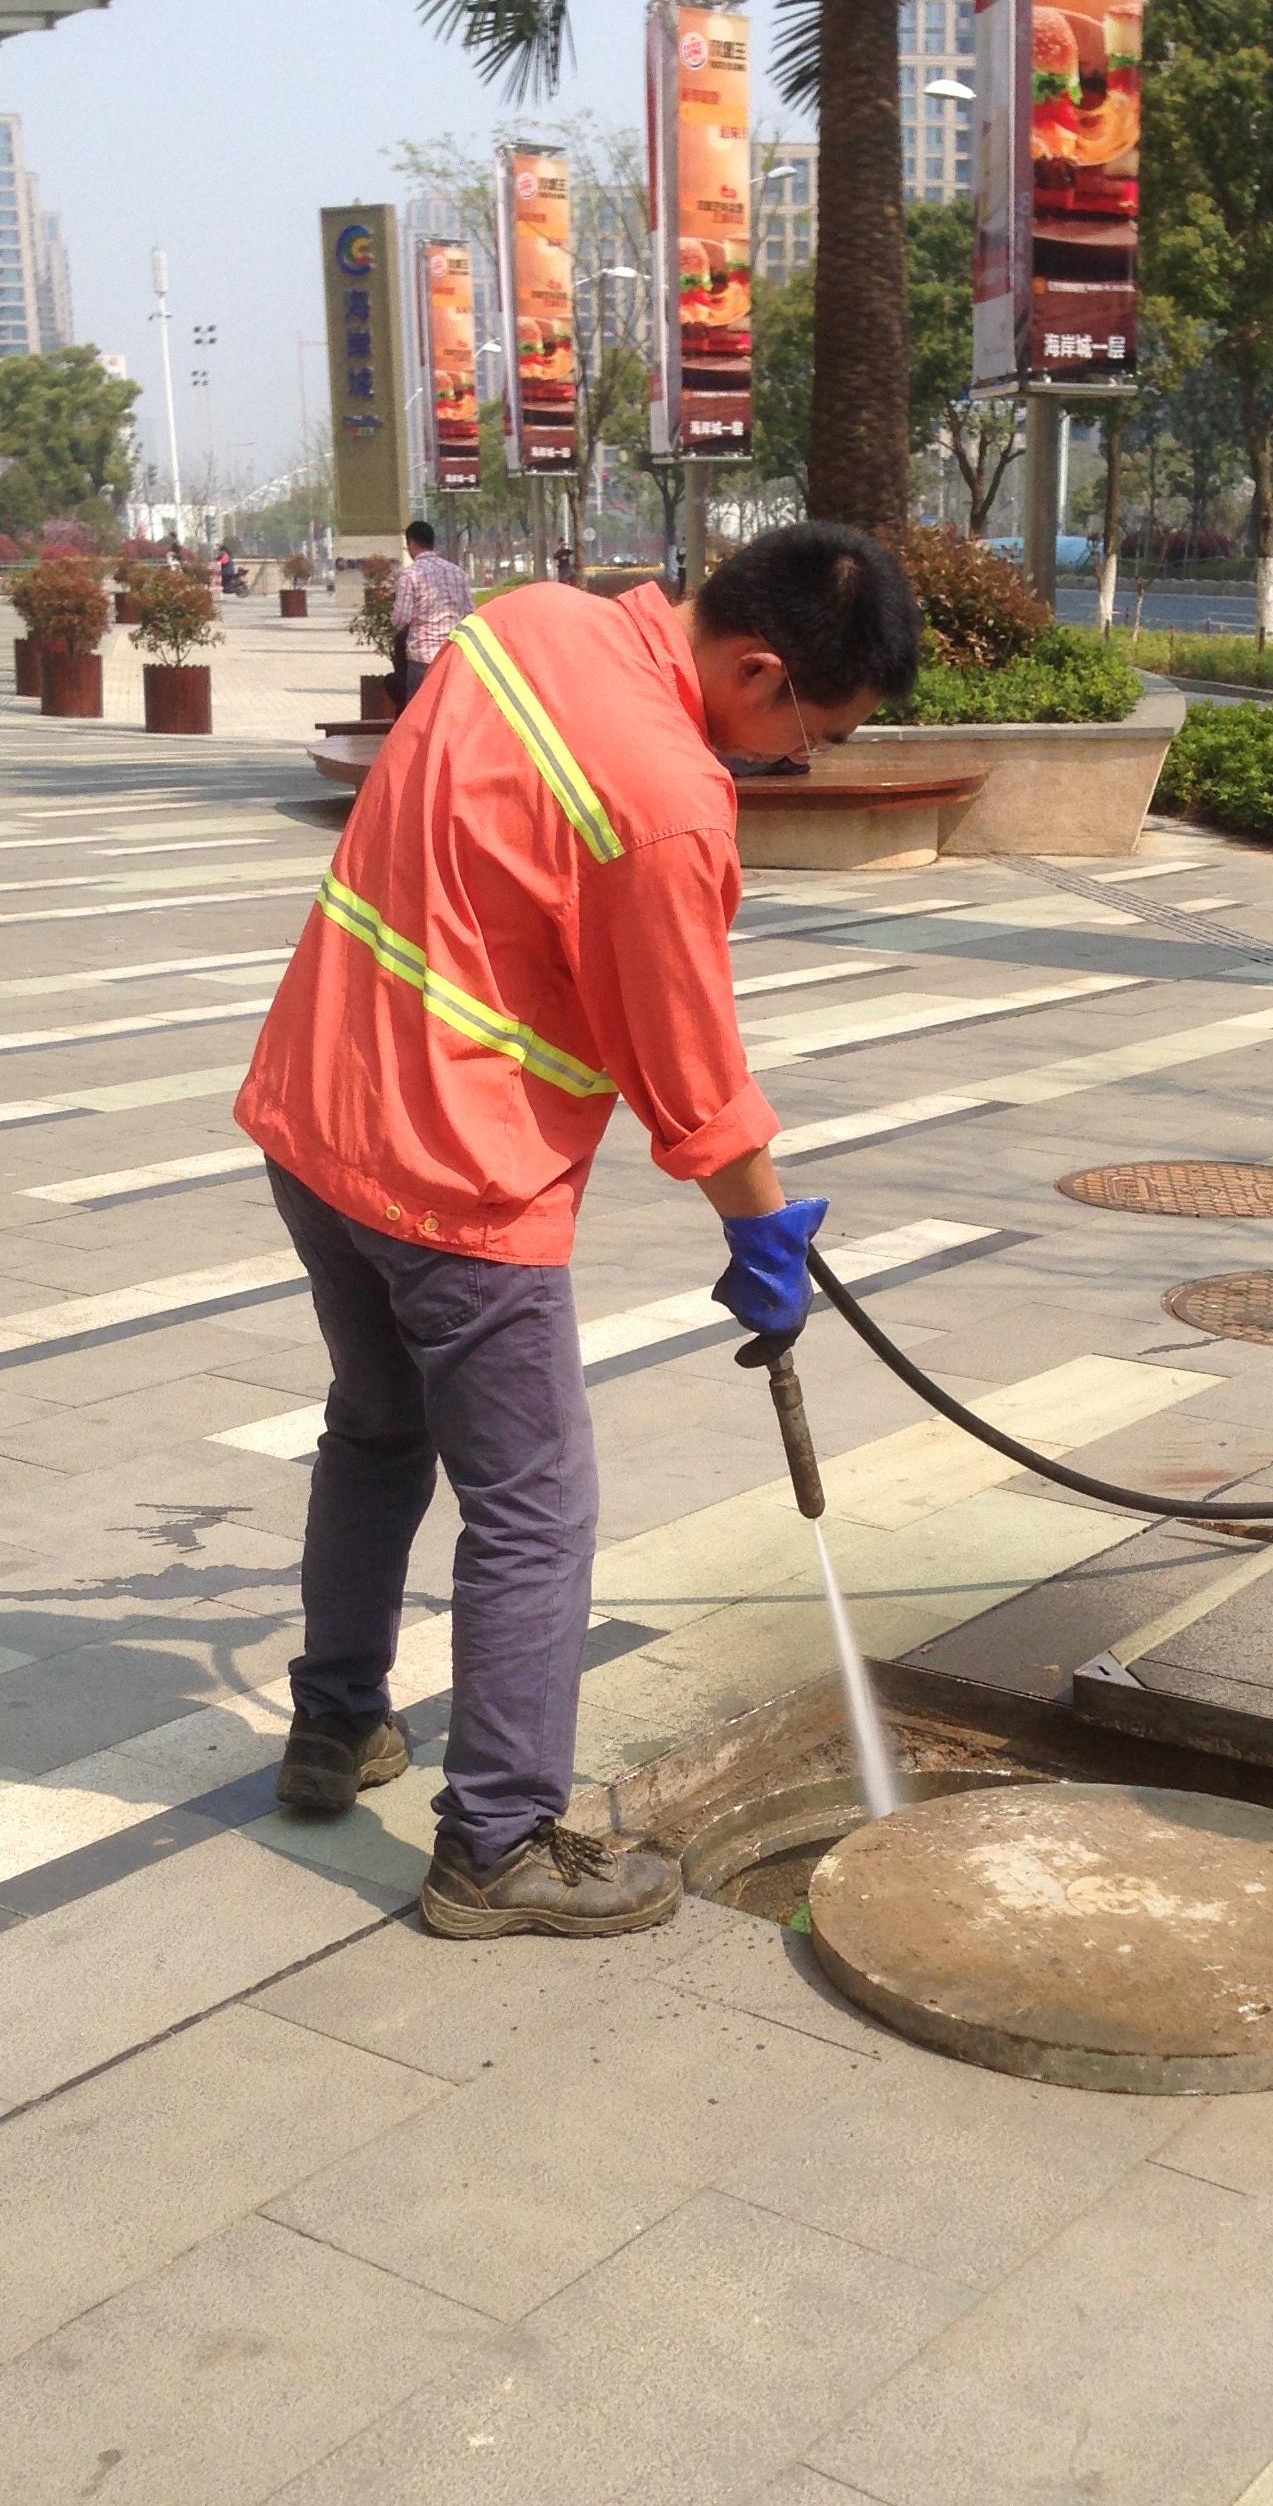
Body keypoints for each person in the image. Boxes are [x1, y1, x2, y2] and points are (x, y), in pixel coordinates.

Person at [234, 522, 921, 1940]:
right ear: (758, 667)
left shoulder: (528, 624)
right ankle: (496, 1843)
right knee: (535, 1508)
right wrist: (763, 1238)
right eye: (811, 735)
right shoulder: (664, 798)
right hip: (457, 1180)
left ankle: (336, 1722)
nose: (798, 764)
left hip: (318, 1113)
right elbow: (694, 1074)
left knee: (376, 1428)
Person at [389, 520, 474, 702]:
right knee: (449, 707)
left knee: (420, 709)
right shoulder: (457, 572)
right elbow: (470, 613)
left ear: (411, 544)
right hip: (452, 655)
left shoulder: (410, 575)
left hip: (422, 657)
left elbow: (400, 618)